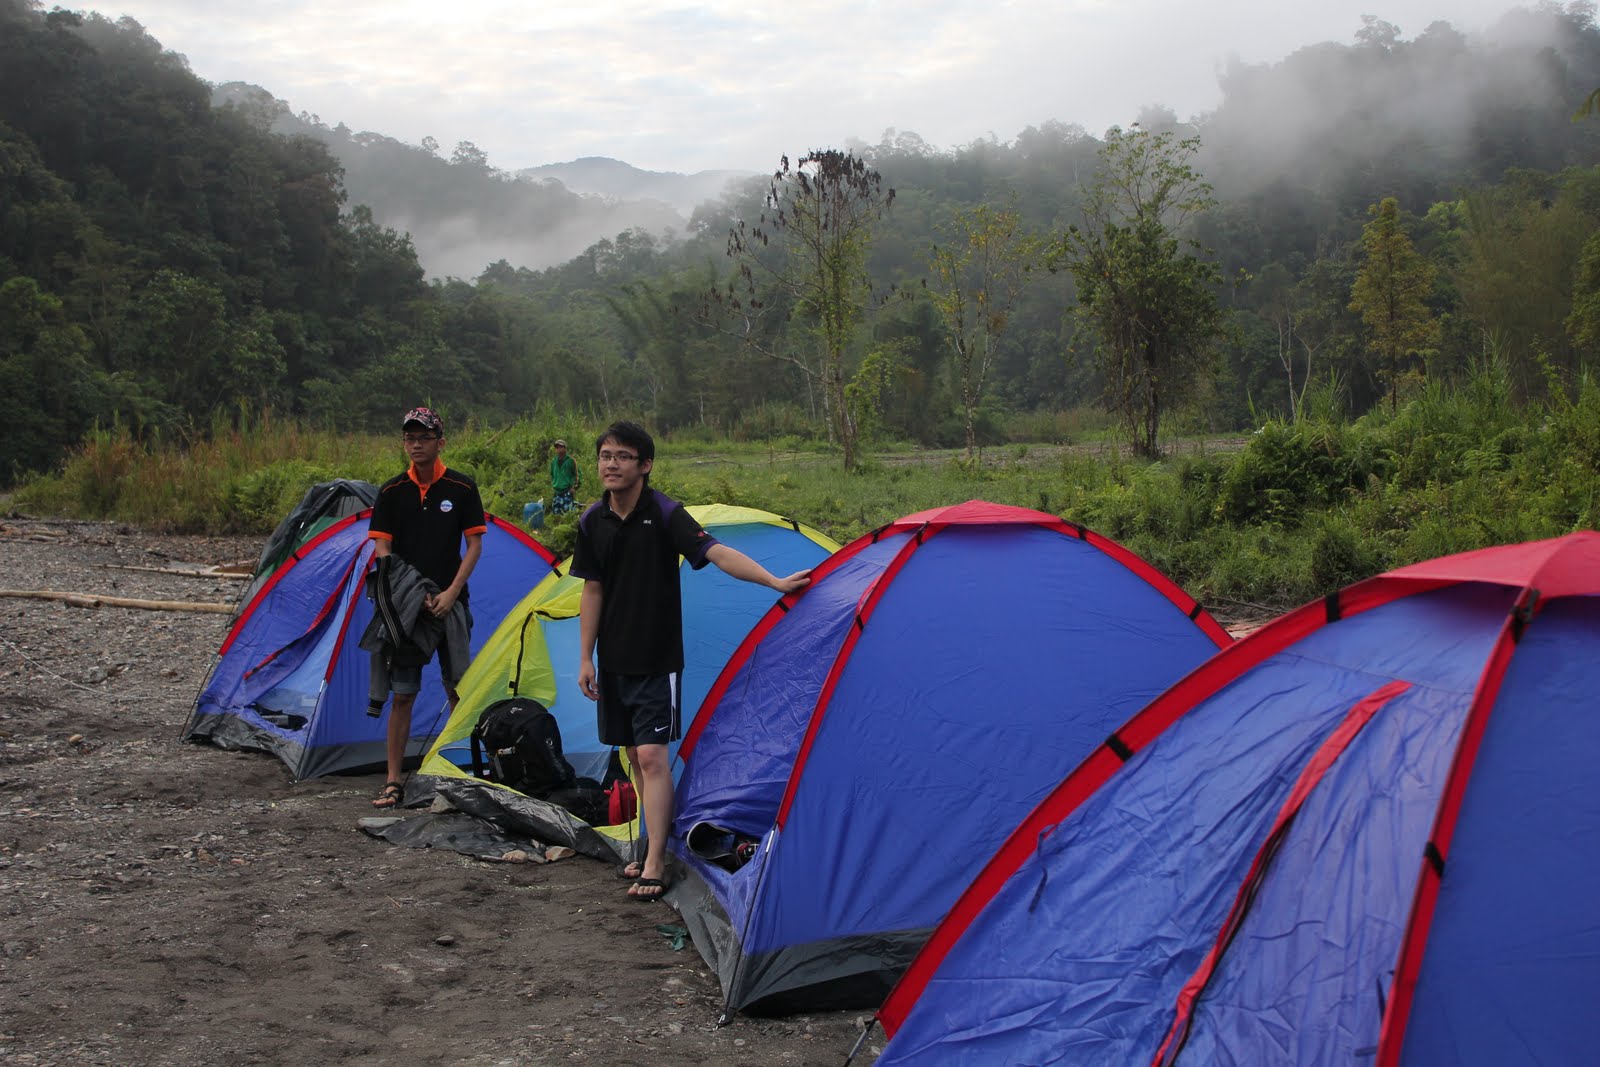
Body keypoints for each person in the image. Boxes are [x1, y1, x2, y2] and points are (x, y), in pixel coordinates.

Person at [572, 421, 811, 900]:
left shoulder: (664, 514)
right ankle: (646, 845)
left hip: (656, 660)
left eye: (622, 456)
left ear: (645, 465)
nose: (611, 464)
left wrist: (774, 582)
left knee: (651, 757)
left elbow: (717, 553)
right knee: (634, 761)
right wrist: (585, 657)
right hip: (613, 660)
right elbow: (592, 589)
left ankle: (656, 861)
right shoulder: (591, 520)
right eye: (605, 455)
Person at [366, 406, 486, 808]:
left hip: (451, 603)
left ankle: (456, 773)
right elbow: (382, 548)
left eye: (424, 437)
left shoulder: (462, 489)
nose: (416, 444)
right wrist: (406, 594)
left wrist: (452, 592)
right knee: (403, 693)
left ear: (440, 442)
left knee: (457, 688)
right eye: (410, 438)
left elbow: (474, 545)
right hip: (406, 610)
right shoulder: (390, 492)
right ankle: (393, 779)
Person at [549, 438, 581, 514]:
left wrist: (574, 487)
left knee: (568, 515)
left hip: (567, 492)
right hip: (557, 493)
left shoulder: (571, 461)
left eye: (561, 447)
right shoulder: (554, 462)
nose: (559, 449)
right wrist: (554, 484)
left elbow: (578, 475)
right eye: (557, 447)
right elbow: (552, 475)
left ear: (565, 448)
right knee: (556, 516)